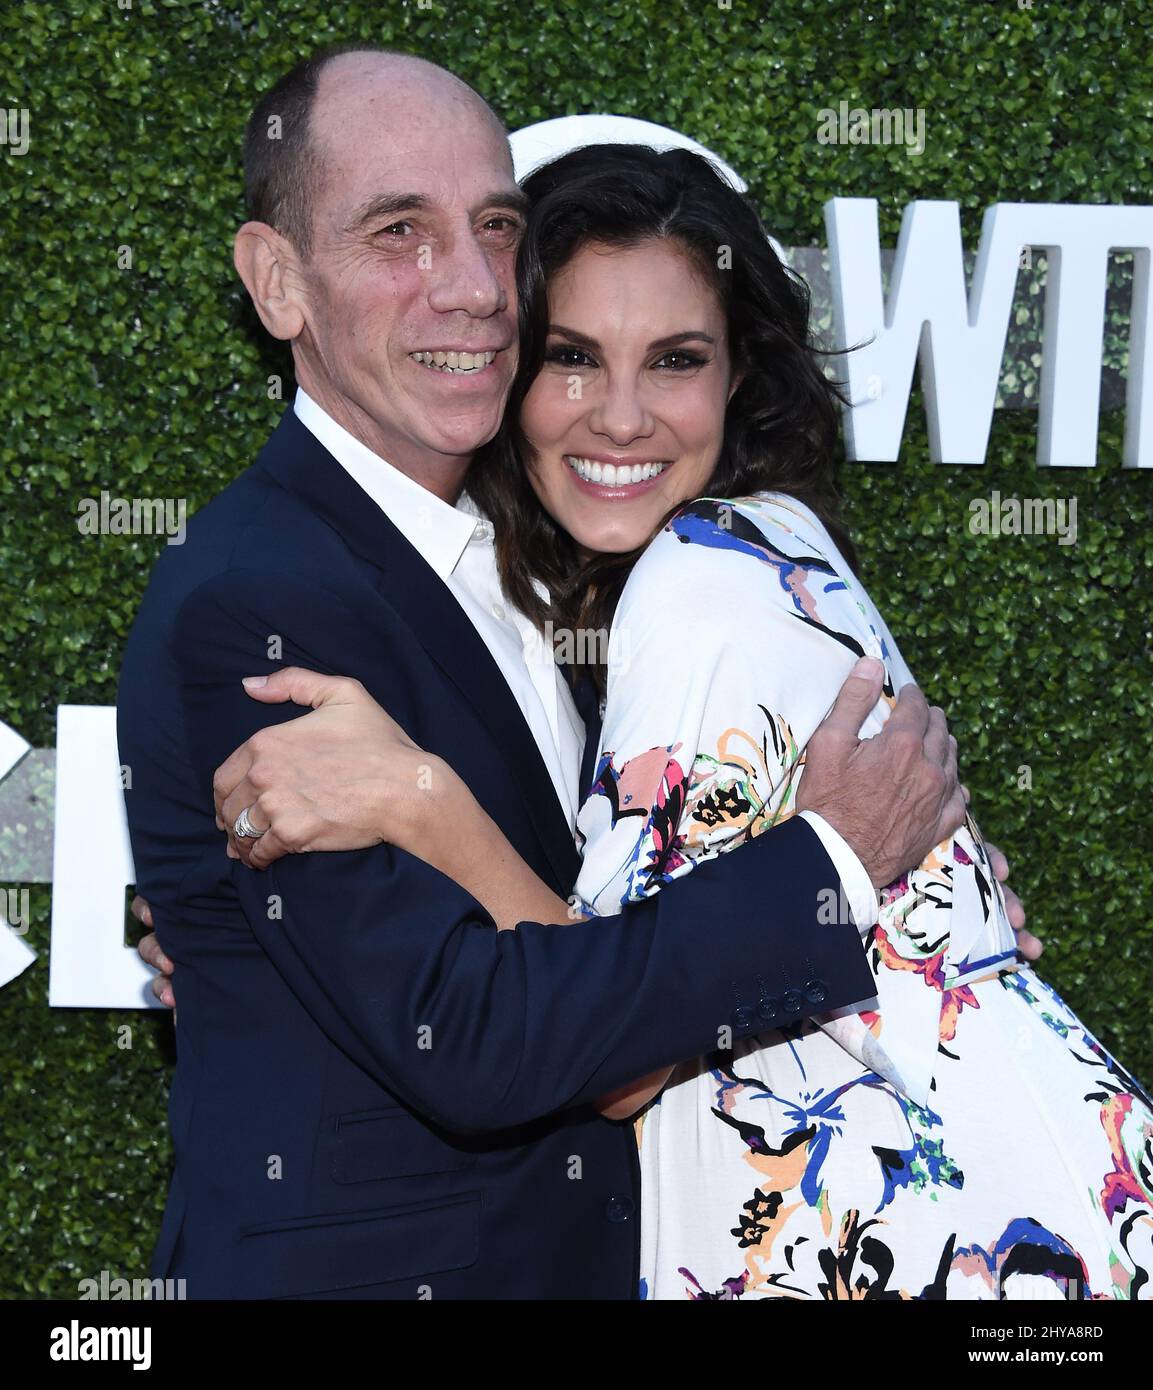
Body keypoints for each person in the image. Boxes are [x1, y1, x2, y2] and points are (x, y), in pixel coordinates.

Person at [201, 143, 1153, 1300]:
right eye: (571, 359)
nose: (621, 416)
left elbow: (612, 1050)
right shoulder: (755, 551)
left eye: (676, 360)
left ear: (739, 375)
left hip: (945, 1243)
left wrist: (420, 801)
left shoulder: (697, 578)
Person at [119, 47, 966, 1301]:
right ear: (277, 282)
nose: (468, 286)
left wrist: (926, 898)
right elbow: (472, 1033)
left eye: (493, 228)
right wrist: (838, 865)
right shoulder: (264, 595)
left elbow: (581, 920)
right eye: (398, 232)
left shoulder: (550, 575)